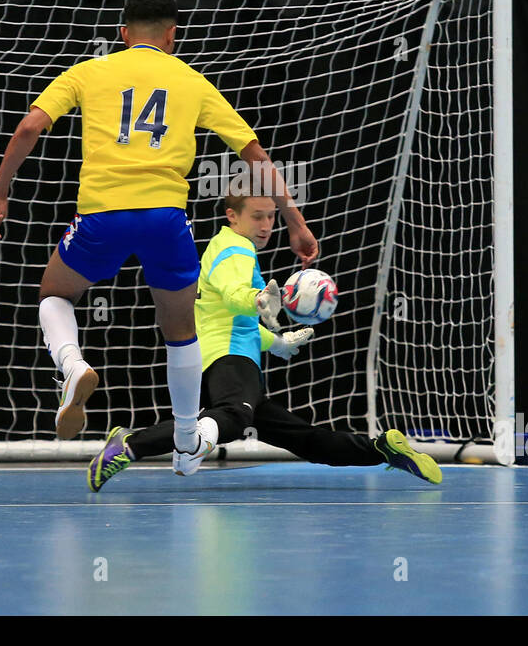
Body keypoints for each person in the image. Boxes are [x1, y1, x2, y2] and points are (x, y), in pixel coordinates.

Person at [0, 0, 318, 461]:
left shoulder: (88, 72)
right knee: (180, 329)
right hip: (166, 219)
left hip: (102, 215)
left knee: (55, 295)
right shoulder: (192, 80)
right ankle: (185, 437)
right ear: (171, 35)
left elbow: (30, 127)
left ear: (122, 33)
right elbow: (253, 154)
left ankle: (73, 364)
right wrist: (294, 221)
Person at [87, 190, 442, 490]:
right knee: (234, 417)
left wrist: (278, 343)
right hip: (228, 359)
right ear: (232, 216)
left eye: (271, 217)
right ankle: (130, 444)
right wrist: (256, 299)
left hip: (226, 355)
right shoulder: (235, 250)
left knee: (301, 438)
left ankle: (381, 450)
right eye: (257, 217)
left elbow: (234, 320)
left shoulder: (225, 247)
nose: (266, 226)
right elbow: (233, 295)